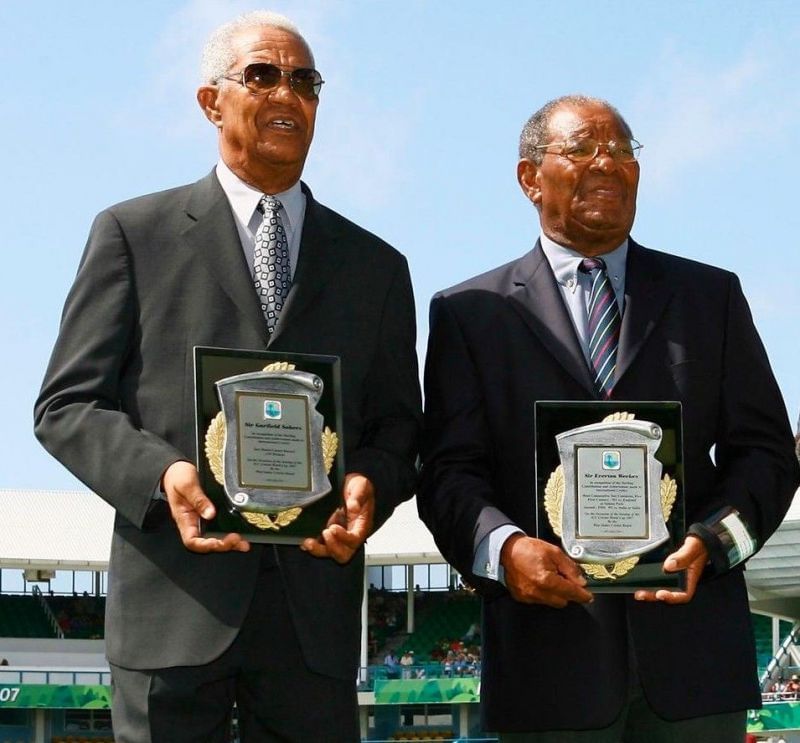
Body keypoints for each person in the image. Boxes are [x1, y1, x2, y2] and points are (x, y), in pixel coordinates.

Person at [34, 10, 421, 743]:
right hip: (173, 608)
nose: (287, 93)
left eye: (305, 81)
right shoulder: (132, 235)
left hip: (314, 621)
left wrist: (372, 480)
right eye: (262, 75)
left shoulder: (376, 267)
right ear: (211, 101)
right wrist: (162, 476)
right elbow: (66, 404)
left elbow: (399, 424)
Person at [418, 94, 799, 741]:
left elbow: (766, 456)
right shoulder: (469, 313)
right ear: (529, 177)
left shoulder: (712, 298)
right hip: (547, 672)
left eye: (623, 150)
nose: (608, 163)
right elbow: (450, 474)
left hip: (694, 671)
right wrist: (507, 549)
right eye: (584, 148)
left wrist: (715, 538)